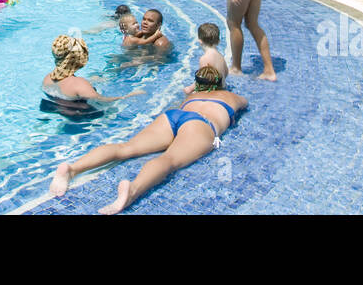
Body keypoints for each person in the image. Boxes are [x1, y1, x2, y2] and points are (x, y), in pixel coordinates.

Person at [48, 65, 247, 214]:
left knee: (126, 147)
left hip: (173, 116)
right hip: (201, 125)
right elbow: (243, 104)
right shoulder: (230, 96)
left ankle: (71, 169)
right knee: (169, 160)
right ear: (219, 82)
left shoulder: (190, 97)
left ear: (197, 83)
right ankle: (133, 189)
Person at [41, 35, 142, 115]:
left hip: (59, 110)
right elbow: (104, 101)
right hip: (79, 118)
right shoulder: (79, 84)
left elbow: (64, 88)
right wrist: (128, 96)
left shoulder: (47, 78)